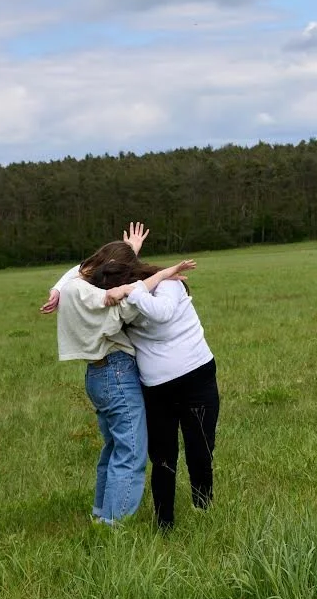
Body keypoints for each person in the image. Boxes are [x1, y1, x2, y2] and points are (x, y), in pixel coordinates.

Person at [40, 231, 194, 526]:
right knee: (131, 451)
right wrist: (161, 275)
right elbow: (129, 299)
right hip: (116, 372)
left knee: (113, 447)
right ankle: (115, 524)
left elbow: (82, 270)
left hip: (99, 374)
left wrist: (129, 250)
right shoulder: (86, 293)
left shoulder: (74, 286)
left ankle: (102, 514)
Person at [115, 226, 221, 531]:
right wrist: (129, 256)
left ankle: (203, 507)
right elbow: (82, 278)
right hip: (156, 389)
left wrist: (133, 289)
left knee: (200, 448)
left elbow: (160, 313)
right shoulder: (130, 293)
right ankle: (164, 523)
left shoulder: (169, 285)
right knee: (162, 457)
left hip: (196, 378)